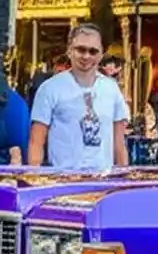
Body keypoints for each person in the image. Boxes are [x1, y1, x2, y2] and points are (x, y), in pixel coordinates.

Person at [28, 24, 130, 171]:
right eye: (81, 49)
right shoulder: (49, 88)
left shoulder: (112, 89)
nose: (86, 56)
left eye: (93, 51)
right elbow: (36, 142)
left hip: (103, 179)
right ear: (69, 50)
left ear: (101, 55)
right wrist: (35, 177)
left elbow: (119, 145)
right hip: (63, 179)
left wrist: (123, 178)